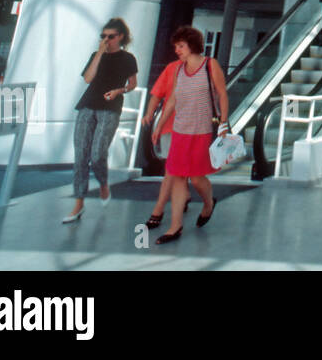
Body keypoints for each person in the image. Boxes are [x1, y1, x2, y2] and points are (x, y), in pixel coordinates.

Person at [152, 26, 229, 244]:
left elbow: (222, 94)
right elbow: (173, 100)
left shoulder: (210, 65)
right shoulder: (178, 70)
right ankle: (175, 226)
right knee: (177, 176)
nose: (177, 50)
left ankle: (208, 204)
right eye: (176, 47)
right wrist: (159, 125)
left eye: (181, 46)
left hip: (202, 131)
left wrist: (223, 123)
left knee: (196, 178)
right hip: (179, 131)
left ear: (192, 46)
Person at [63, 18, 138, 223]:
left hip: (110, 108)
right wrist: (99, 53)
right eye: (103, 36)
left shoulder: (128, 58)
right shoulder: (96, 56)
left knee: (97, 154)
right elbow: (88, 78)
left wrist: (118, 91)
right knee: (80, 155)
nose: (106, 39)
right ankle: (79, 203)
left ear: (121, 36)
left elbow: (133, 84)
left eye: (110, 36)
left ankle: (103, 184)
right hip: (87, 105)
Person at [141, 54, 190, 230]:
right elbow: (157, 94)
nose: (179, 50)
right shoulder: (171, 68)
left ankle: (158, 210)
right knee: (174, 168)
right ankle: (183, 196)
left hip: (191, 127)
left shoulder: (202, 69)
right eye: (177, 46)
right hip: (170, 125)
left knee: (173, 169)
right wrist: (149, 113)